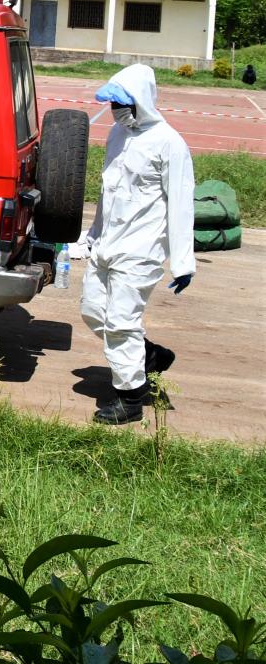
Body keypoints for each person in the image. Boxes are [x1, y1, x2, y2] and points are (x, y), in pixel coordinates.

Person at [78, 63, 194, 425]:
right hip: (107, 245)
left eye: (121, 103)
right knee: (92, 311)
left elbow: (180, 204)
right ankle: (149, 356)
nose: (115, 110)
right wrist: (91, 237)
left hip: (141, 250)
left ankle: (130, 399)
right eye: (112, 103)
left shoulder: (169, 143)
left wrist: (183, 262)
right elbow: (108, 194)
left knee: (121, 323)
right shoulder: (117, 134)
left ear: (140, 101)